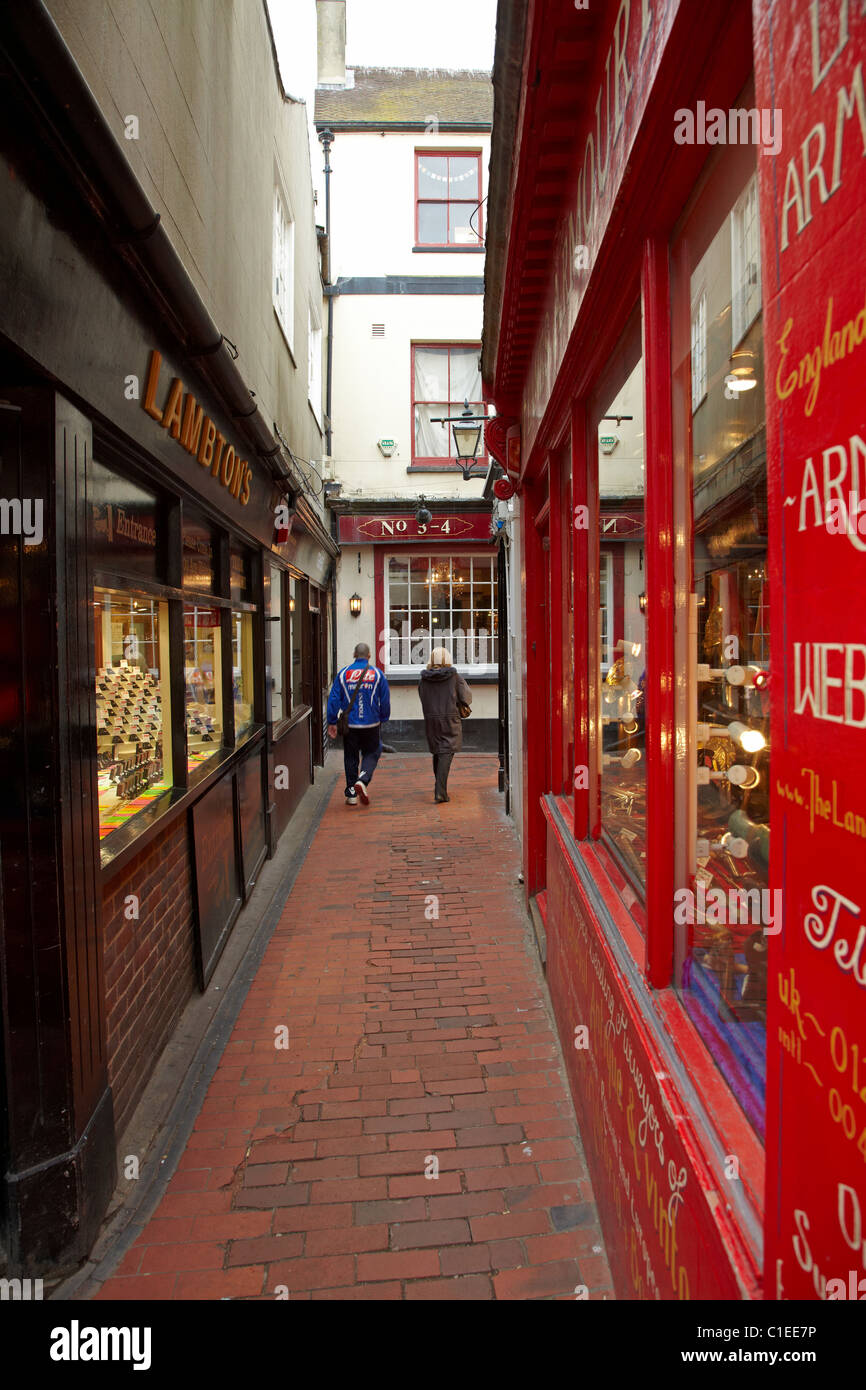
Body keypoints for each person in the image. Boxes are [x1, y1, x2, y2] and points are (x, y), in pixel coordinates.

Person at [327, 642, 390, 807]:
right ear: (369, 656)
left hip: (350, 725)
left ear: (355, 655)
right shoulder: (378, 674)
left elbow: (333, 699)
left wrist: (332, 721)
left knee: (350, 756)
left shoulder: (343, 674)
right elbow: (385, 700)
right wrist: (383, 718)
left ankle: (351, 794)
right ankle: (363, 779)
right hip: (372, 724)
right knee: (373, 751)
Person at [418, 647, 472, 803]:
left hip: (431, 719)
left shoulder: (424, 679)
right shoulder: (454, 677)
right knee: (446, 752)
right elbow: (466, 697)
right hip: (450, 719)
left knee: (438, 751)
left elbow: (422, 696)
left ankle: (439, 787)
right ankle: (440, 792)